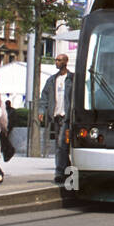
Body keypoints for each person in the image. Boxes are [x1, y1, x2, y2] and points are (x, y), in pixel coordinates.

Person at [39, 53, 74, 185]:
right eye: (56, 60)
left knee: (62, 144)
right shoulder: (52, 80)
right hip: (56, 117)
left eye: (59, 60)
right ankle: (68, 171)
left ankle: (60, 172)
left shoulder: (72, 79)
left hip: (67, 118)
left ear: (66, 61)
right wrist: (42, 111)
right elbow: (44, 97)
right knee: (61, 146)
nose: (56, 62)